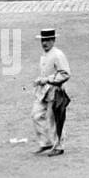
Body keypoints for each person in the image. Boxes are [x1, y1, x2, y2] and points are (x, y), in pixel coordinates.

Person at [31, 29, 70, 157]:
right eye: (43, 40)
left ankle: (59, 146)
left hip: (55, 91)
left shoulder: (58, 55)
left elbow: (65, 73)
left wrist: (47, 79)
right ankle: (45, 142)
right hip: (43, 91)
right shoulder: (44, 54)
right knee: (36, 115)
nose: (45, 43)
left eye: (48, 40)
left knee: (55, 120)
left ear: (53, 40)